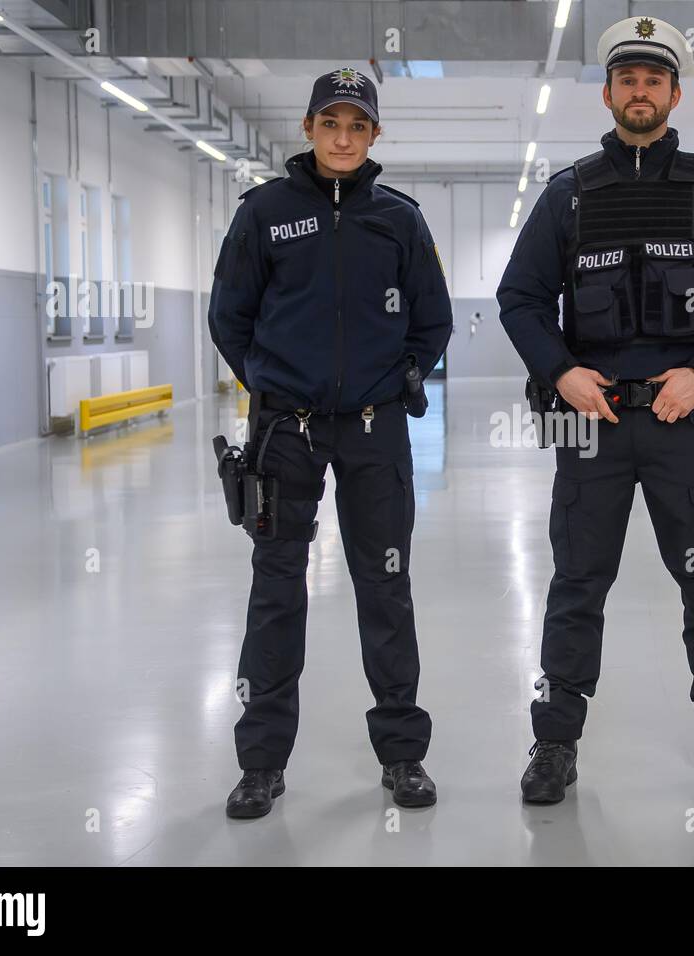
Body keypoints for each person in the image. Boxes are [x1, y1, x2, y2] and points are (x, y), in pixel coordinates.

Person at [496, 16, 694, 806]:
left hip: (682, 425)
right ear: (607, 93)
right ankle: (554, 745)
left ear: (672, 93)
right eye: (626, 79)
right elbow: (518, 300)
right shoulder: (567, 197)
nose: (639, 91)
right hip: (589, 427)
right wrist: (560, 373)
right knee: (576, 585)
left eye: (653, 80)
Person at [208, 67, 452, 817]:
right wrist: (272, 383)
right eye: (330, 124)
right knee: (276, 590)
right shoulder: (264, 214)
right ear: (309, 129)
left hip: (375, 434)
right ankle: (261, 763)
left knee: (386, 588)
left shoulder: (399, 220)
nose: (343, 138)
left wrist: (400, 376)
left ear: (374, 135)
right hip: (286, 434)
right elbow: (229, 315)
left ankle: (403, 755)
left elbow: (432, 318)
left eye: (357, 126)